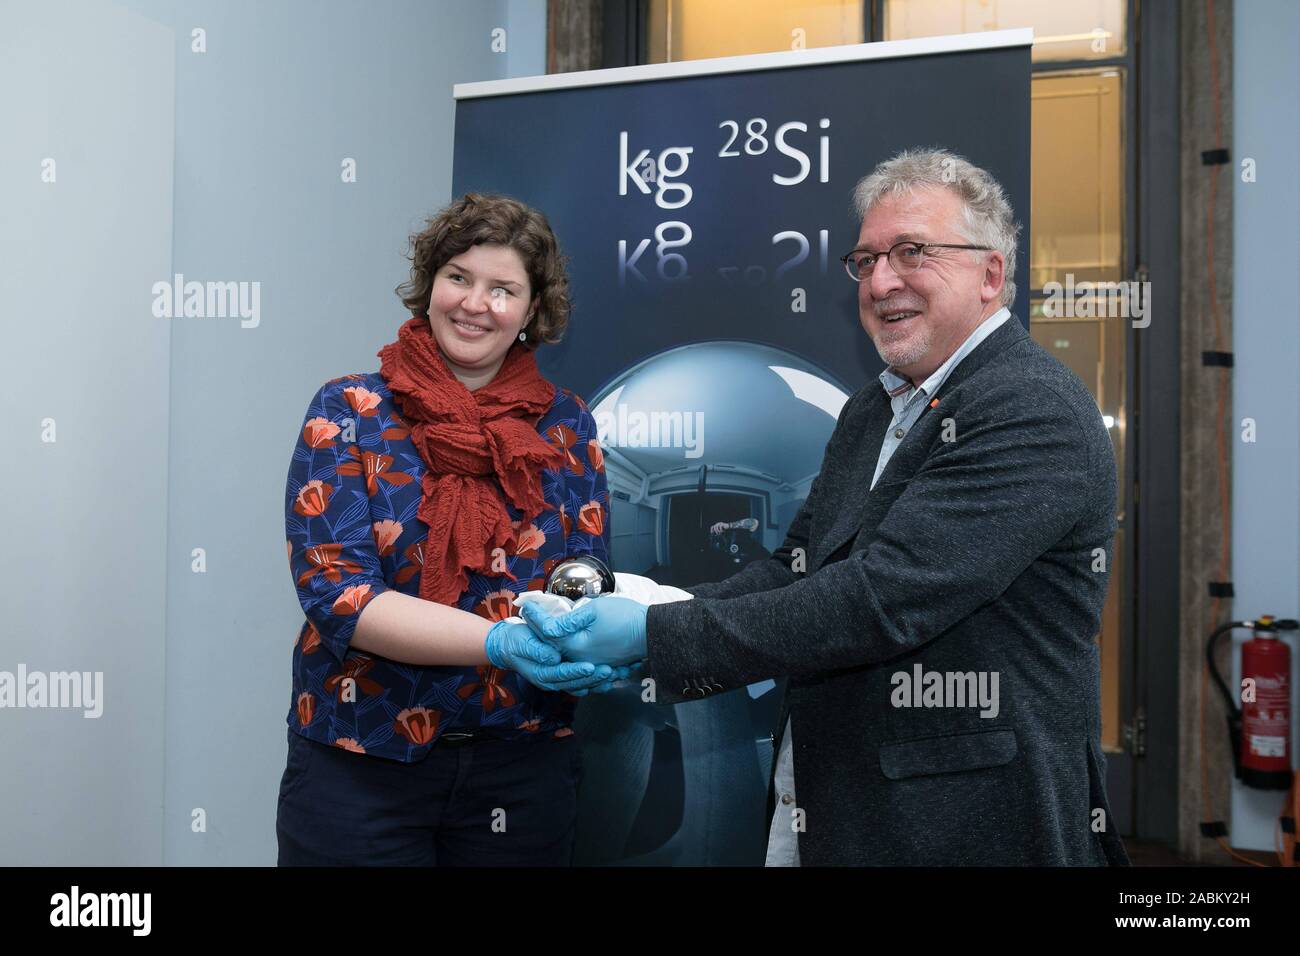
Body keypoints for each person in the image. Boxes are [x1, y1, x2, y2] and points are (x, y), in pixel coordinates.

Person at [523, 148, 1132, 866]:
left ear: (990, 275)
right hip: (838, 802)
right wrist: (650, 609)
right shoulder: (874, 408)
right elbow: (797, 573)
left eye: (912, 252)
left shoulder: (1029, 408)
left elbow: (880, 601)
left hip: (965, 823)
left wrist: (651, 638)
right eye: (866, 259)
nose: (881, 281)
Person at [277, 192, 627, 866]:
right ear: (429, 285)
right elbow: (337, 594)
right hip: (361, 768)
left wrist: (596, 635)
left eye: (503, 289)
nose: (474, 303)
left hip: (521, 772)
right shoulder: (349, 408)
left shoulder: (567, 424)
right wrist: (499, 642)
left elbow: (583, 573)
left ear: (531, 311)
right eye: (459, 277)